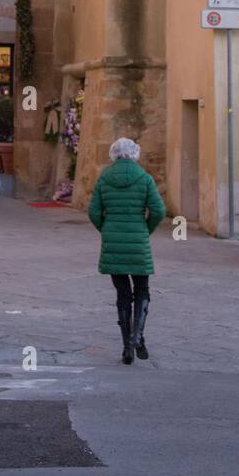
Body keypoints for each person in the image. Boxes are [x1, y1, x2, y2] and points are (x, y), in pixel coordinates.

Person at [88, 137, 166, 365]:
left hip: (113, 241)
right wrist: (145, 229)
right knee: (142, 289)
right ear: (135, 154)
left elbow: (93, 212)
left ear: (114, 154)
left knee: (122, 294)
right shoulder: (145, 178)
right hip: (138, 240)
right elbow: (159, 210)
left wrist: (106, 228)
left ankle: (126, 348)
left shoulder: (104, 178)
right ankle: (137, 335)